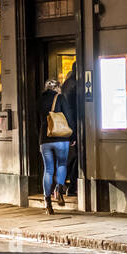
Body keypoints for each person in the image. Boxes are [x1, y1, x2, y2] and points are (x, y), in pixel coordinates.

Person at [38, 78, 74, 214]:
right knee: (62, 164)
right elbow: (68, 117)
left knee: (48, 169)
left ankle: (47, 202)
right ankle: (58, 187)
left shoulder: (40, 100)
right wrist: (72, 136)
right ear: (57, 87)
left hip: (45, 139)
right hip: (60, 137)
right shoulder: (60, 98)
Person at [61, 68, 79, 198]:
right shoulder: (74, 84)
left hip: (66, 127)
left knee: (70, 158)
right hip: (73, 127)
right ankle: (71, 187)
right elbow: (72, 110)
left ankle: (61, 186)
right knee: (75, 158)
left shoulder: (66, 84)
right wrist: (73, 132)